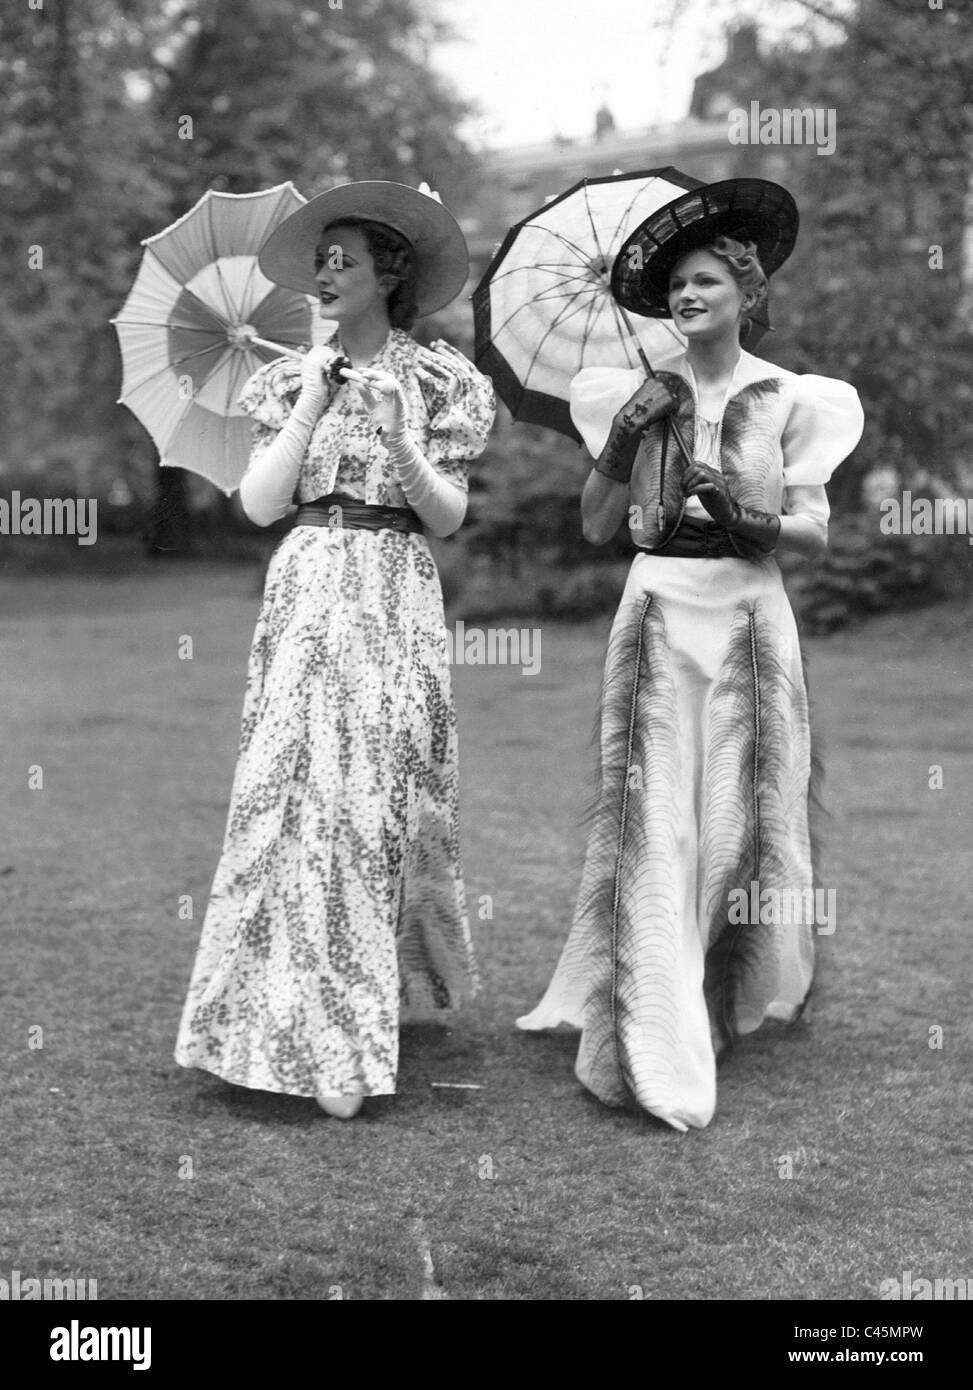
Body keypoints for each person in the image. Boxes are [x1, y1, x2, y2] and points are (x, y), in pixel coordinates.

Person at [517, 179, 864, 1132]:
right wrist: (625, 438)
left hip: (750, 616)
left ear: (747, 290)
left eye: (704, 279)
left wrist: (747, 515)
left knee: (740, 802)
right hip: (657, 610)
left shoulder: (795, 398)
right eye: (673, 284)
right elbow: (598, 528)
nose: (684, 295)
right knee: (653, 807)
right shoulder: (634, 397)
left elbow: (816, 535)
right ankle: (649, 1010)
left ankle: (725, 988)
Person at [175, 181, 495, 1118]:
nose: (324, 273)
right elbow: (260, 506)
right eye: (320, 260)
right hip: (308, 584)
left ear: (388, 275)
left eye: (343, 259)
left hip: (394, 585)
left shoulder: (440, 382)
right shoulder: (285, 378)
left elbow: (447, 517)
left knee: (371, 798)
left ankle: (355, 1029)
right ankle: (265, 1027)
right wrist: (313, 403)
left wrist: (399, 436)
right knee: (285, 792)